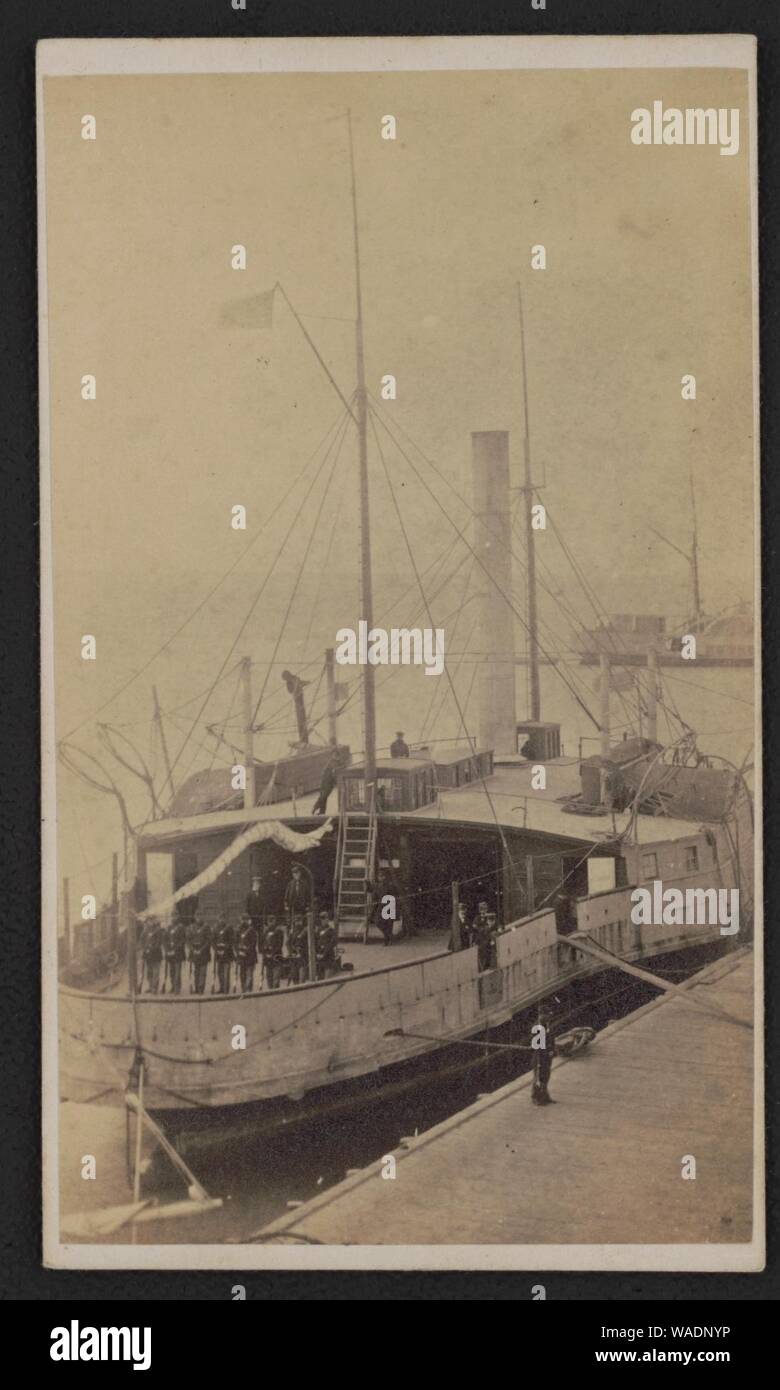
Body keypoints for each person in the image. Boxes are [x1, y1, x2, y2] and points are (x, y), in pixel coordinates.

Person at [531, 1006, 556, 1106]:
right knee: (538, 1077)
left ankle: (545, 1096)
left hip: (547, 1056)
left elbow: (551, 1038)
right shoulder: (537, 1027)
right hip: (539, 1056)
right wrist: (548, 1052)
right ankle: (536, 1097)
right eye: (547, 1015)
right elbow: (537, 1046)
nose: (549, 1017)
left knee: (546, 1076)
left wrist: (553, 1050)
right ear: (541, 1015)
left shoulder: (547, 1025)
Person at [187, 915, 212, 995]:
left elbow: (208, 940)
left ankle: (201, 989)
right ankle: (196, 988)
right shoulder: (191, 927)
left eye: (200, 917)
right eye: (197, 917)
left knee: (203, 972)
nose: (199, 919)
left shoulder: (206, 927)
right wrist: (193, 949)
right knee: (196, 972)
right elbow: (188, 940)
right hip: (194, 954)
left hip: (204, 954)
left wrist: (201, 950)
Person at [162, 912, 187, 994]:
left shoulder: (181, 927)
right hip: (170, 953)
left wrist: (175, 949)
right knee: (171, 971)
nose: (173, 918)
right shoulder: (169, 927)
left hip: (178, 953)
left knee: (177, 971)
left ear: (178, 917)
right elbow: (165, 939)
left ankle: (177, 988)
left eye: (175, 916)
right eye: (172, 916)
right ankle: (173, 986)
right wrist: (167, 949)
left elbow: (183, 940)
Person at [140, 916, 164, 992]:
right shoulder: (145, 930)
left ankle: (155, 988)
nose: (150, 922)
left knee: (156, 972)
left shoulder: (158, 930)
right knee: (149, 971)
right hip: (148, 954)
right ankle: (150, 987)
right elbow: (141, 940)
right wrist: (144, 948)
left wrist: (151, 949)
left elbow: (159, 942)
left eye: (152, 920)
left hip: (156, 954)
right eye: (149, 920)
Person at [235, 913, 258, 993]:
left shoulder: (251, 930)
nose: (242, 922)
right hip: (241, 955)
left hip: (250, 956)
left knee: (249, 973)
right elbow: (235, 942)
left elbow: (253, 943)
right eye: (241, 920)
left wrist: (246, 950)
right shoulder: (238, 930)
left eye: (243, 920)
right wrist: (238, 951)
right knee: (242, 974)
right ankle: (243, 988)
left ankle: (248, 989)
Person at [213, 916, 235, 994]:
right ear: (218, 919)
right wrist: (216, 949)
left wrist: (225, 949)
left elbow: (232, 940)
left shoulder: (229, 928)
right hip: (219, 954)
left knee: (226, 973)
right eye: (220, 919)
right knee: (219, 972)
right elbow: (213, 940)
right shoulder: (216, 928)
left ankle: (226, 990)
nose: (221, 920)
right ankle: (221, 988)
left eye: (223, 919)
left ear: (225, 919)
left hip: (227, 954)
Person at [262, 915, 284, 990]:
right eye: (269, 921)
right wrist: (265, 954)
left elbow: (279, 944)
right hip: (268, 959)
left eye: (272, 921)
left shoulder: (278, 931)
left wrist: (272, 953)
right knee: (269, 978)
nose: (271, 923)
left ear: (275, 921)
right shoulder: (265, 932)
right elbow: (262, 944)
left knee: (276, 978)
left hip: (276, 957)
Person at [287, 913, 309, 985]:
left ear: (302, 921)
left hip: (303, 957)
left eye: (299, 921)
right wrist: (291, 952)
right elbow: (288, 943)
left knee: (302, 979)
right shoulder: (292, 931)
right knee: (294, 978)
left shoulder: (305, 930)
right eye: (296, 921)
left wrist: (302, 950)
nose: (298, 923)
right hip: (294, 958)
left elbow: (309, 943)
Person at [315, 911, 338, 978]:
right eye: (322, 918)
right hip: (320, 957)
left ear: (327, 919)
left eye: (325, 918)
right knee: (319, 979)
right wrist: (317, 953)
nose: (323, 920)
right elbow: (316, 942)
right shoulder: (319, 929)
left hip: (328, 956)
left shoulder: (331, 930)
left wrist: (324, 954)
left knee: (327, 979)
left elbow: (332, 943)